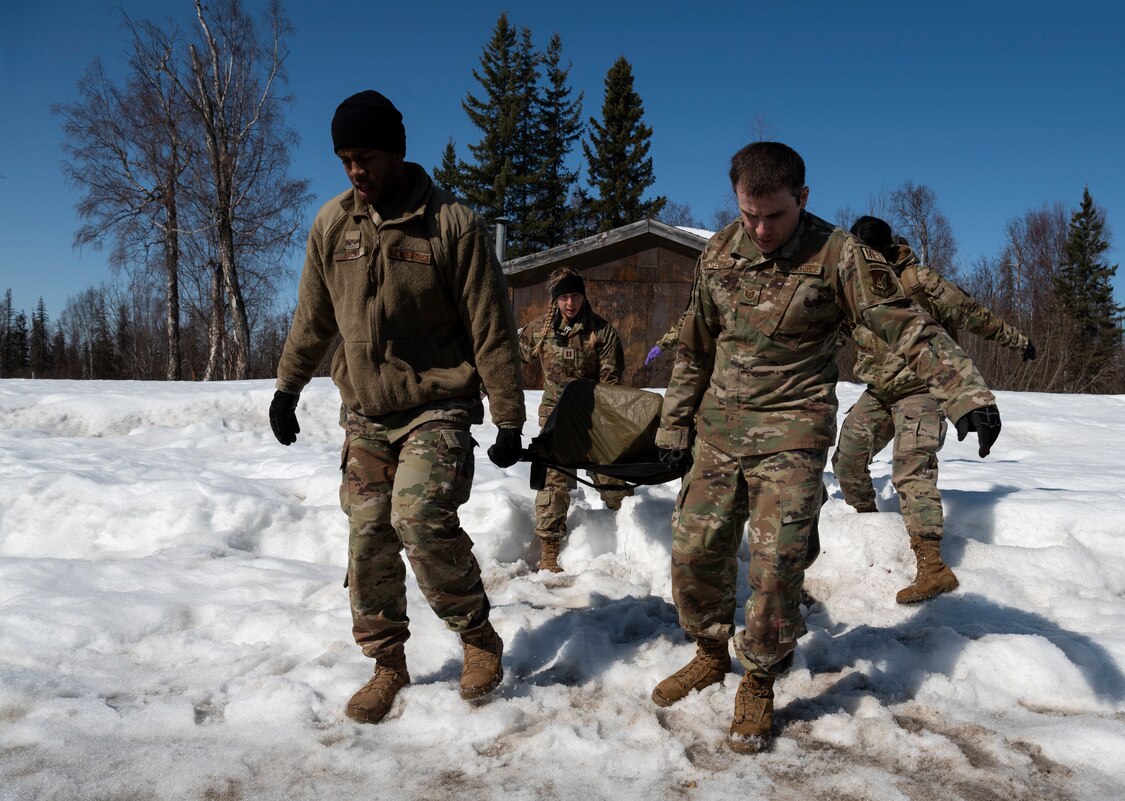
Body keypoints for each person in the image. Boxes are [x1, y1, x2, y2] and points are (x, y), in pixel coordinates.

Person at [652, 142, 1001, 754]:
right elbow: (694, 345)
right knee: (695, 553)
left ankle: (759, 678)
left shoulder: (840, 256)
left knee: (776, 564)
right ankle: (709, 651)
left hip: (793, 430)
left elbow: (907, 324)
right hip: (719, 430)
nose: (760, 230)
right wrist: (673, 425)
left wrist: (964, 390)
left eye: (775, 217)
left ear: (803, 198)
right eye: (748, 215)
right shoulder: (719, 252)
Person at [269, 90, 526, 724]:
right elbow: (313, 316)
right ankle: (387, 663)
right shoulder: (332, 225)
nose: (355, 171)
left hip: (437, 405)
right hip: (365, 411)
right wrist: (287, 386)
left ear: (397, 150)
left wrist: (509, 416)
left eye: (366, 156)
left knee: (419, 516)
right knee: (368, 537)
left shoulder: (451, 225)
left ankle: (477, 639)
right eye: (345, 159)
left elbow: (490, 325)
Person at [834, 216, 1036, 604]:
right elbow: (830, 333)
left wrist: (1017, 341)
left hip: (923, 390)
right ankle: (870, 532)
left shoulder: (918, 282)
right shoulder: (850, 285)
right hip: (879, 392)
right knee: (847, 462)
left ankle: (933, 567)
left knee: (911, 469)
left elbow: (973, 314)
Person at [518, 267, 629, 572]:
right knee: (553, 481)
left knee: (613, 479)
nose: (571, 303)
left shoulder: (602, 332)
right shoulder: (539, 330)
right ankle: (550, 552)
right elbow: (510, 362)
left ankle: (630, 540)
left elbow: (612, 380)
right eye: (564, 296)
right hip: (555, 418)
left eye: (576, 296)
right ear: (555, 299)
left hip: (595, 415)